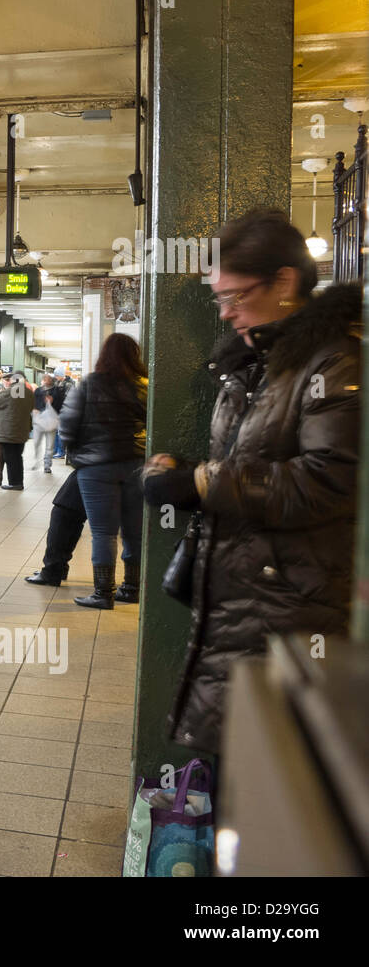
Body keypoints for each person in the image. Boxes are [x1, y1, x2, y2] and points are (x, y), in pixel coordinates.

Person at [141, 208, 360, 756]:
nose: (225, 312)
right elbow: (256, 462)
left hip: (290, 605)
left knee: (272, 775)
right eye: (220, 298)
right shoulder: (257, 365)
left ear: (285, 282)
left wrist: (200, 481)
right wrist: (189, 471)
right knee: (239, 763)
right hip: (250, 594)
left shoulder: (335, 363)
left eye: (235, 295)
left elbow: (327, 482)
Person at [59, 334, 147, 609]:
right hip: (136, 464)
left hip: (96, 468)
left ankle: (103, 593)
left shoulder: (89, 384)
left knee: (103, 532)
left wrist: (74, 454)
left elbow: (67, 424)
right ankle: (131, 589)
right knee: (134, 531)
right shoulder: (144, 386)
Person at [24, 470, 88, 586]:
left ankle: (53, 570)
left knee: (65, 512)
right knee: (73, 513)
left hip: (99, 468)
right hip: (109, 468)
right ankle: (58, 567)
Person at [0, 371, 34, 489]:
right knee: (17, 457)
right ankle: (17, 482)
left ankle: (14, 483)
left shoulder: (8, 393)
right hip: (20, 432)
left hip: (7, 433)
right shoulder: (28, 393)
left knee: (11, 458)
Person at [30, 372, 58, 474]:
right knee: (36, 442)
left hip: (51, 421)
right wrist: (34, 409)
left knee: (50, 445)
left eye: (48, 378)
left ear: (52, 380)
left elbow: (60, 405)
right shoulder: (38, 390)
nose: (46, 380)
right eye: (45, 378)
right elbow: (32, 402)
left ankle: (47, 465)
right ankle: (37, 461)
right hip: (38, 420)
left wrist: (52, 402)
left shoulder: (56, 391)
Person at [51, 366, 70, 458]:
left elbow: (68, 399)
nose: (56, 377)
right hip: (56, 410)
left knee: (60, 432)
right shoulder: (57, 383)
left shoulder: (68, 384)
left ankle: (61, 452)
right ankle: (55, 450)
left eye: (57, 375)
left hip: (63, 411)